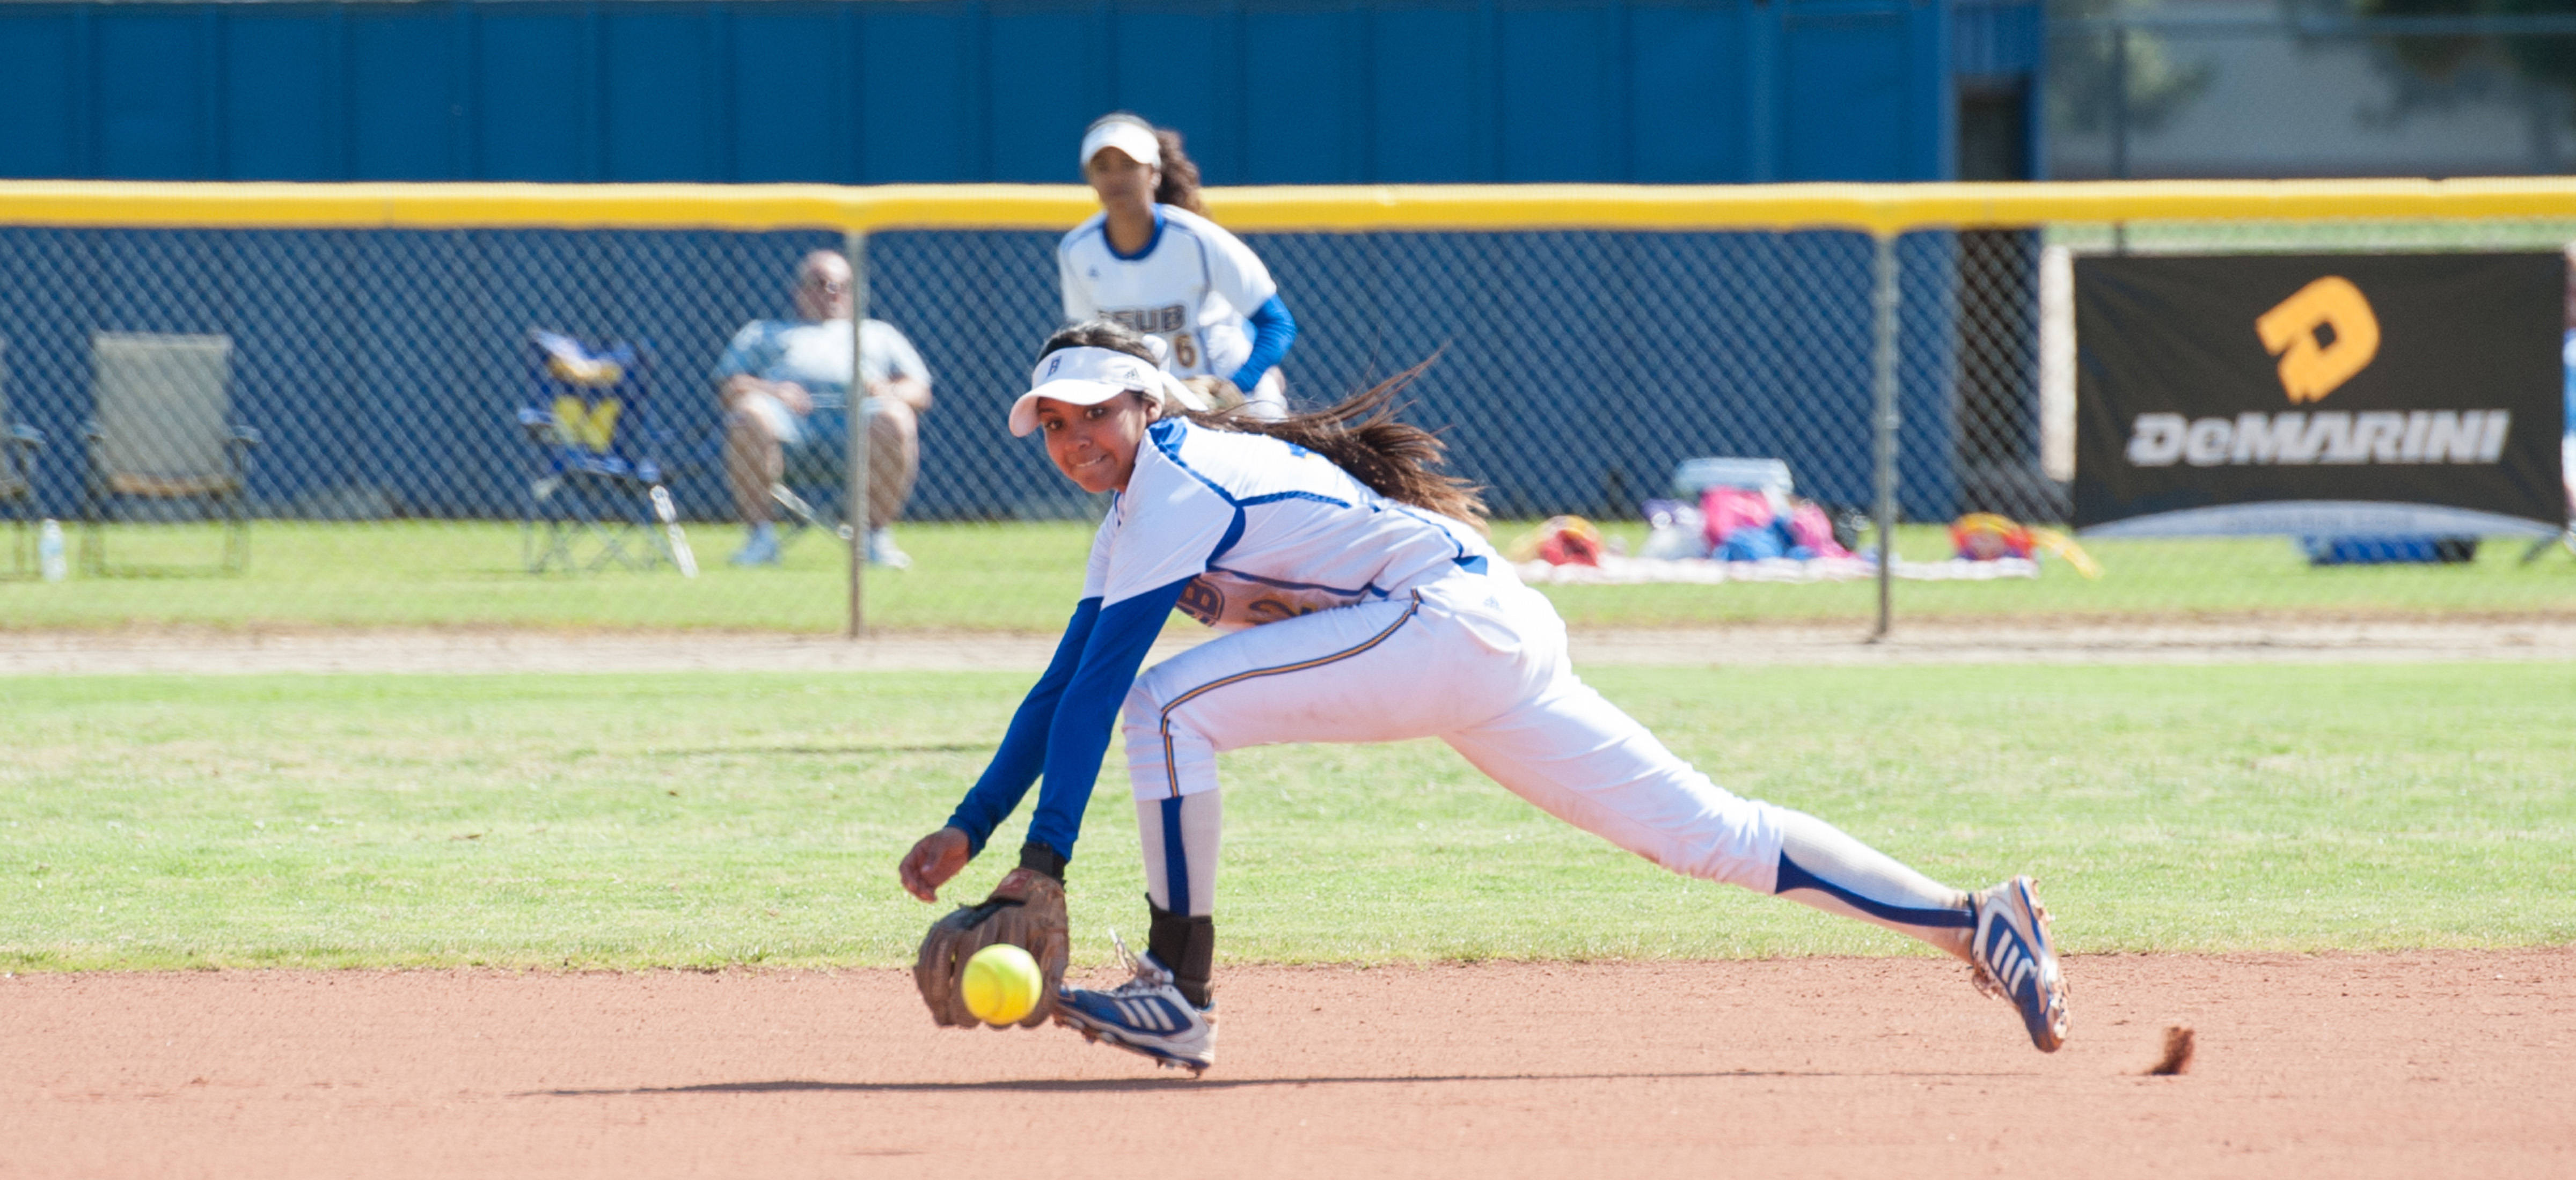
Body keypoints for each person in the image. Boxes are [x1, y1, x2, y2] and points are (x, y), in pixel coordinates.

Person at [897, 321, 2068, 1074]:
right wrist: (974, 823)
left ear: (1146, 405)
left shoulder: (1178, 482)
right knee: (1708, 834)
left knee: (1164, 706)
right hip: (1472, 633)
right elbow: (1058, 686)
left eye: (1093, 411)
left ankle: (1176, 990)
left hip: (1446, 628)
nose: (1073, 438)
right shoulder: (1138, 516)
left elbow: (1107, 696)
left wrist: (1042, 864)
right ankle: (1978, 920)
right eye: (1052, 424)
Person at [1059, 112, 1297, 420]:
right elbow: (1089, 347)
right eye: (1102, 168)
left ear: (1154, 173)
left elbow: (1277, 322)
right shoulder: (1077, 250)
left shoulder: (1196, 239)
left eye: (1129, 165)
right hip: (1154, 405)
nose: (1116, 178)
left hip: (1229, 399)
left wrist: (1237, 386)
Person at [713, 249, 933, 569]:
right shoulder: (764, 332)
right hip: (790, 431)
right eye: (819, 283)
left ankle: (874, 540)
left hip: (860, 433)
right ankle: (761, 540)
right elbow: (730, 387)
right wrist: (775, 391)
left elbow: (920, 391)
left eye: (840, 285)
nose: (831, 292)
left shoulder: (878, 334)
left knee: (895, 416)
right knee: (749, 413)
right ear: (799, 292)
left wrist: (886, 391)